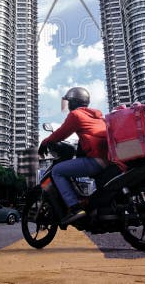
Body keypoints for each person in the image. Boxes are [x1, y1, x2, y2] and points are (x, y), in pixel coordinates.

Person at [38, 86, 109, 225]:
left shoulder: (76, 115)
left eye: (69, 102)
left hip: (96, 161)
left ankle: (74, 208)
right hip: (107, 160)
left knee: (57, 171)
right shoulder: (99, 117)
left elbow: (62, 133)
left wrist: (45, 142)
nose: (68, 105)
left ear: (74, 102)